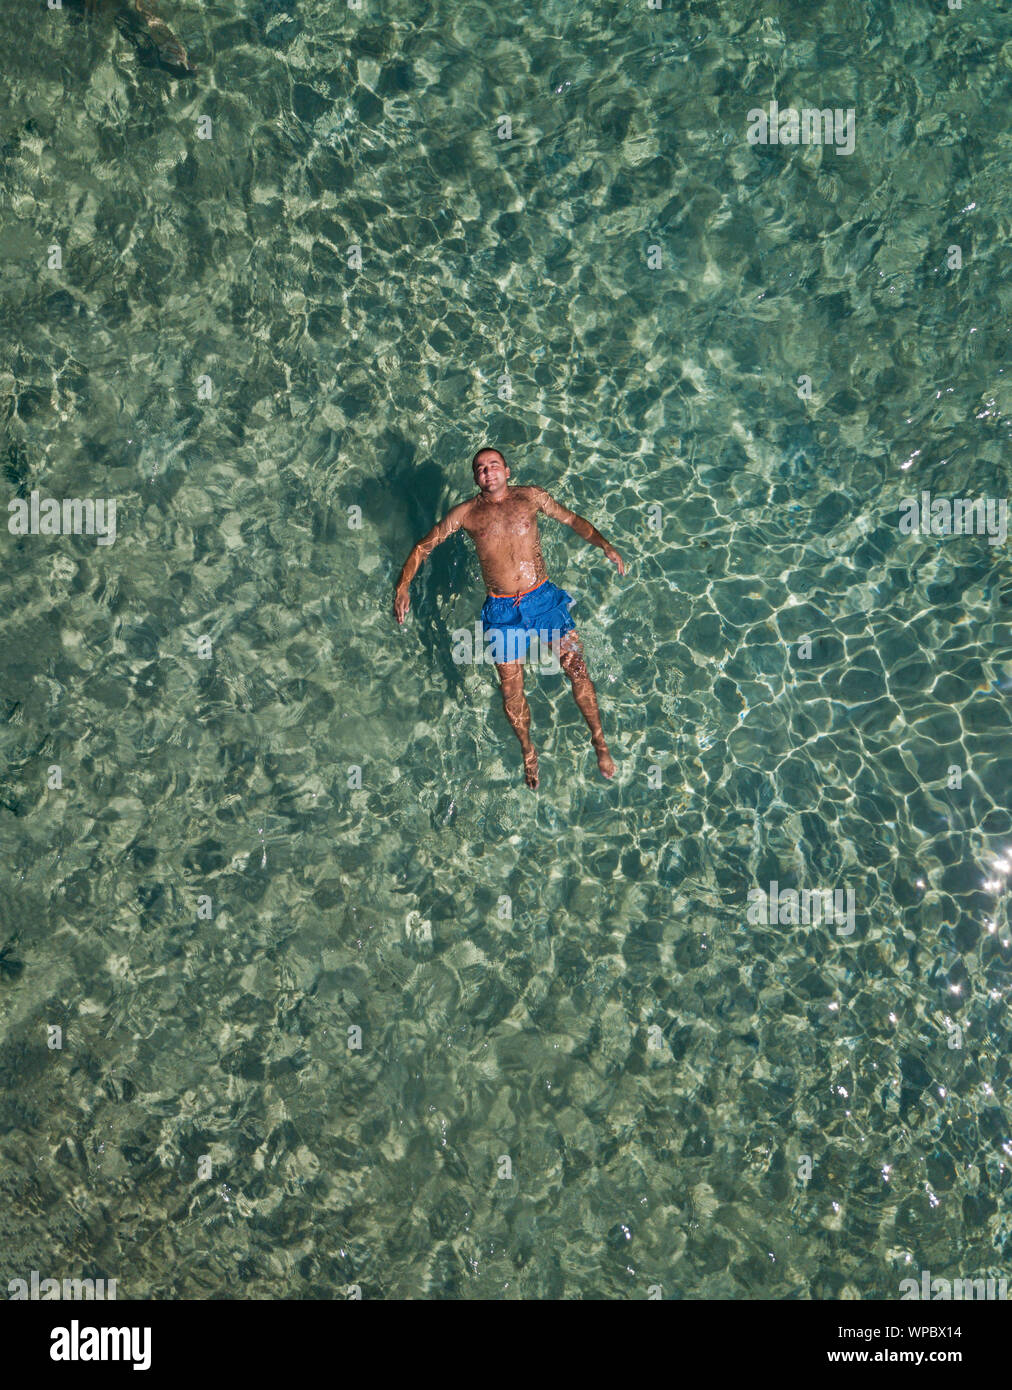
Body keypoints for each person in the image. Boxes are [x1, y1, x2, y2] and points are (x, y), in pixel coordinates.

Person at [393, 447, 626, 790]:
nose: (488, 471)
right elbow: (423, 546)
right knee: (511, 690)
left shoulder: (531, 498)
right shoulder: (466, 514)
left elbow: (573, 520)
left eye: (494, 465)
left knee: (576, 668)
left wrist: (604, 544)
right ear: (476, 478)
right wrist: (404, 586)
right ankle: (528, 751)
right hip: (502, 610)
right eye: (480, 468)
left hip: (543, 598)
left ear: (507, 470)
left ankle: (600, 743)